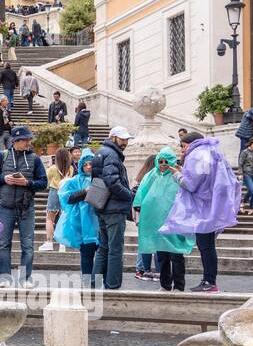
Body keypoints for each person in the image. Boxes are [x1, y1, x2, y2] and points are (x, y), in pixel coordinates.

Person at [160, 132, 240, 294]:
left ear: (190, 143)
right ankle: (209, 280)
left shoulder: (196, 155)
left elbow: (191, 184)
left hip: (203, 208)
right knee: (208, 245)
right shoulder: (211, 152)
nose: (183, 151)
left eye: (183, 147)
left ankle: (209, 281)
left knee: (206, 246)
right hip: (212, 204)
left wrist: (176, 175)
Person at [0, 126, 47, 288]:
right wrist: (3, 178)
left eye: (28, 139)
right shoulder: (1, 157)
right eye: (25, 140)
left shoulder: (35, 158)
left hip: (27, 207)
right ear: (15, 141)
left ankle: (25, 278)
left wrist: (27, 183)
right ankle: (5, 278)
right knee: (3, 244)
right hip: (6, 207)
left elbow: (43, 183)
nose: (28, 142)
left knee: (27, 245)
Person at [132, 149, 195, 292]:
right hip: (157, 223)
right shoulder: (151, 176)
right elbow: (141, 192)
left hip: (175, 222)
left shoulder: (177, 176)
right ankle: (165, 284)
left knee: (176, 254)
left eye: (167, 161)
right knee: (162, 255)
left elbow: (189, 187)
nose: (163, 164)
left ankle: (179, 285)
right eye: (160, 161)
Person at [91, 126, 134, 290]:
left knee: (103, 248)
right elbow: (113, 182)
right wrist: (129, 195)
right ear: (113, 137)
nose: (125, 142)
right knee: (115, 249)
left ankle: (94, 285)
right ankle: (113, 285)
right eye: (122, 139)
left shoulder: (101, 152)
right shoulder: (112, 155)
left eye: (127, 139)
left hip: (102, 206)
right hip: (114, 208)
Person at [56, 148, 101, 287]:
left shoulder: (101, 179)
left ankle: (98, 281)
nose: (88, 167)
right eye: (85, 164)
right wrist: (85, 191)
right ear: (81, 165)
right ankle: (88, 282)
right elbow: (67, 198)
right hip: (82, 224)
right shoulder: (74, 181)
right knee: (86, 255)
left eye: (91, 164)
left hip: (99, 223)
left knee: (100, 255)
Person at [39, 148, 71, 253]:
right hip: (65, 193)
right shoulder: (70, 169)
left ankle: (49, 242)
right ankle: (62, 244)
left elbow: (45, 180)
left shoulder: (52, 168)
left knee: (50, 219)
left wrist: (48, 166)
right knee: (63, 219)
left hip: (54, 192)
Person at [239, 139, 253, 216]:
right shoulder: (244, 152)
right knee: (251, 190)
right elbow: (240, 164)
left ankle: (251, 210)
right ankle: (243, 202)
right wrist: (240, 174)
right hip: (247, 174)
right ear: (251, 144)